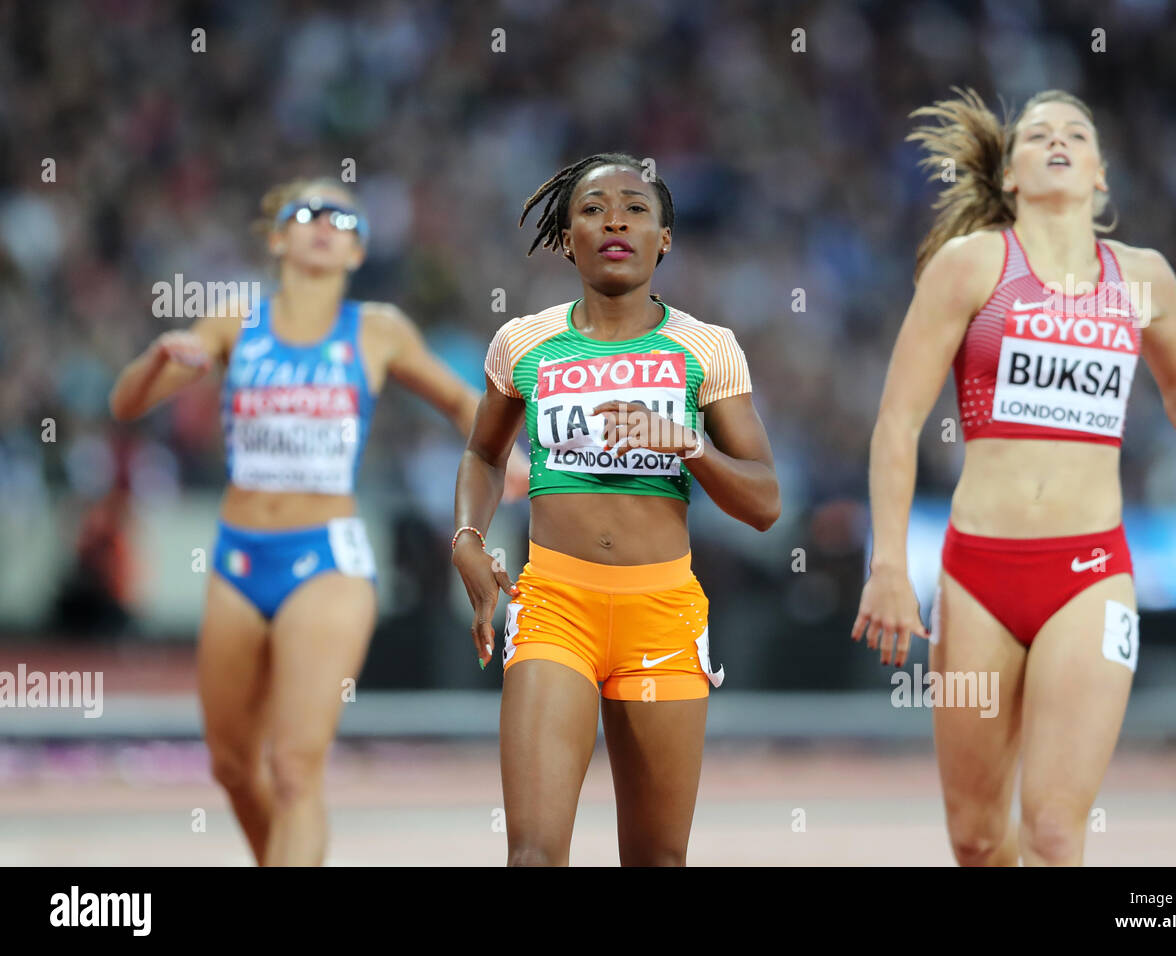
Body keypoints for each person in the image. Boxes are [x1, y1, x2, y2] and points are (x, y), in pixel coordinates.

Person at [851, 90, 1176, 866]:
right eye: (1038, 135)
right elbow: (896, 423)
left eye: (1077, 133)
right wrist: (888, 563)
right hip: (976, 580)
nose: (1058, 141)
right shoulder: (971, 266)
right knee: (979, 838)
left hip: (1091, 575)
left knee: (1055, 832)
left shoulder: (1143, 278)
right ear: (1012, 175)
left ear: (1100, 174)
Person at [109, 178, 528, 865]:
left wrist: (500, 457)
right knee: (232, 767)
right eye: (305, 213)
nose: (323, 223)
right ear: (278, 238)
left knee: (295, 768)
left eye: (341, 216)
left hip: (327, 561)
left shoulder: (377, 329)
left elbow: (459, 397)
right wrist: (159, 356)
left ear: (358, 249)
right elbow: (126, 405)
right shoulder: (234, 319)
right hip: (239, 559)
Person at [451, 152, 780, 866]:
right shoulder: (524, 342)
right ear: (567, 239)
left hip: (661, 613)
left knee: (656, 860)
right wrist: (467, 538)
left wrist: (689, 443)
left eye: (635, 208)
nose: (615, 221)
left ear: (665, 238)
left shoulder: (707, 349)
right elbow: (482, 454)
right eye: (593, 210)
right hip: (554, 606)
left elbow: (764, 502)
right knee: (533, 856)